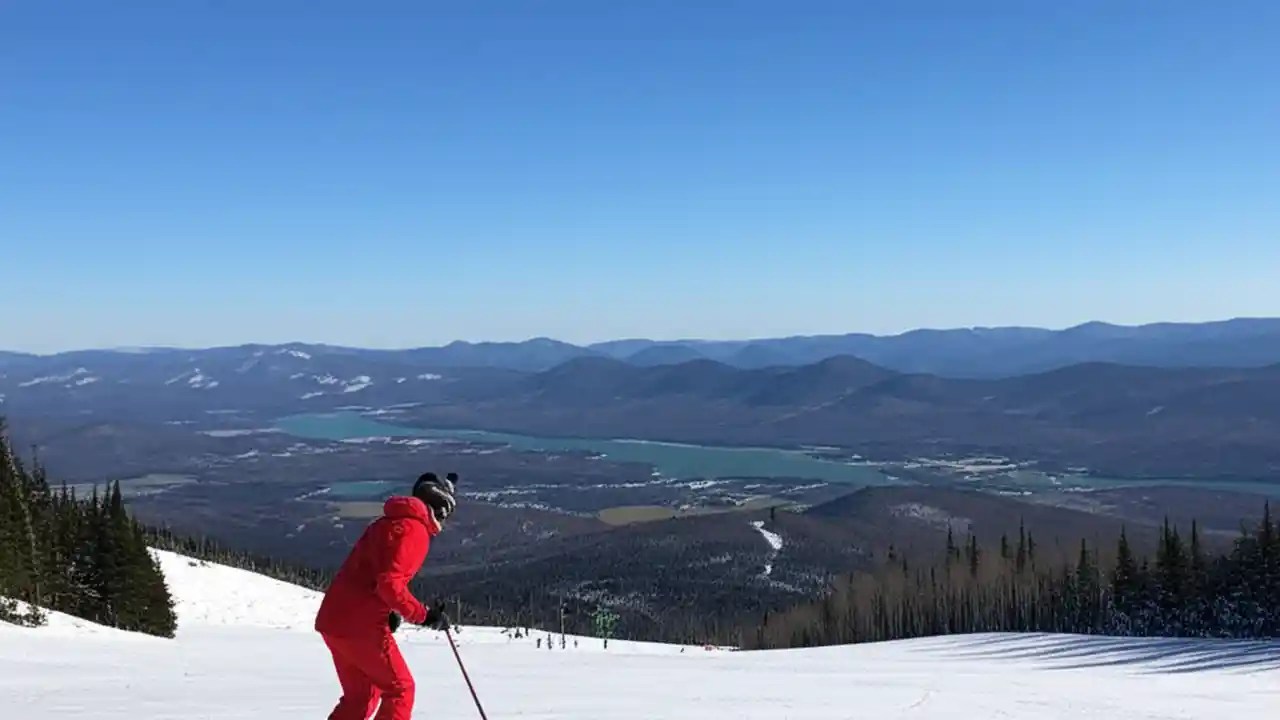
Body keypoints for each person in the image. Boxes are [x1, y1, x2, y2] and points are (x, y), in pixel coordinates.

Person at [314, 472, 458, 720]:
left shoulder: (387, 523)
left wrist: (387, 610)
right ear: (440, 508)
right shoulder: (415, 531)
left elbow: (369, 574)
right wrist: (425, 616)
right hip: (360, 625)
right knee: (401, 690)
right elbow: (389, 584)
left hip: (334, 621)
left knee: (362, 698)